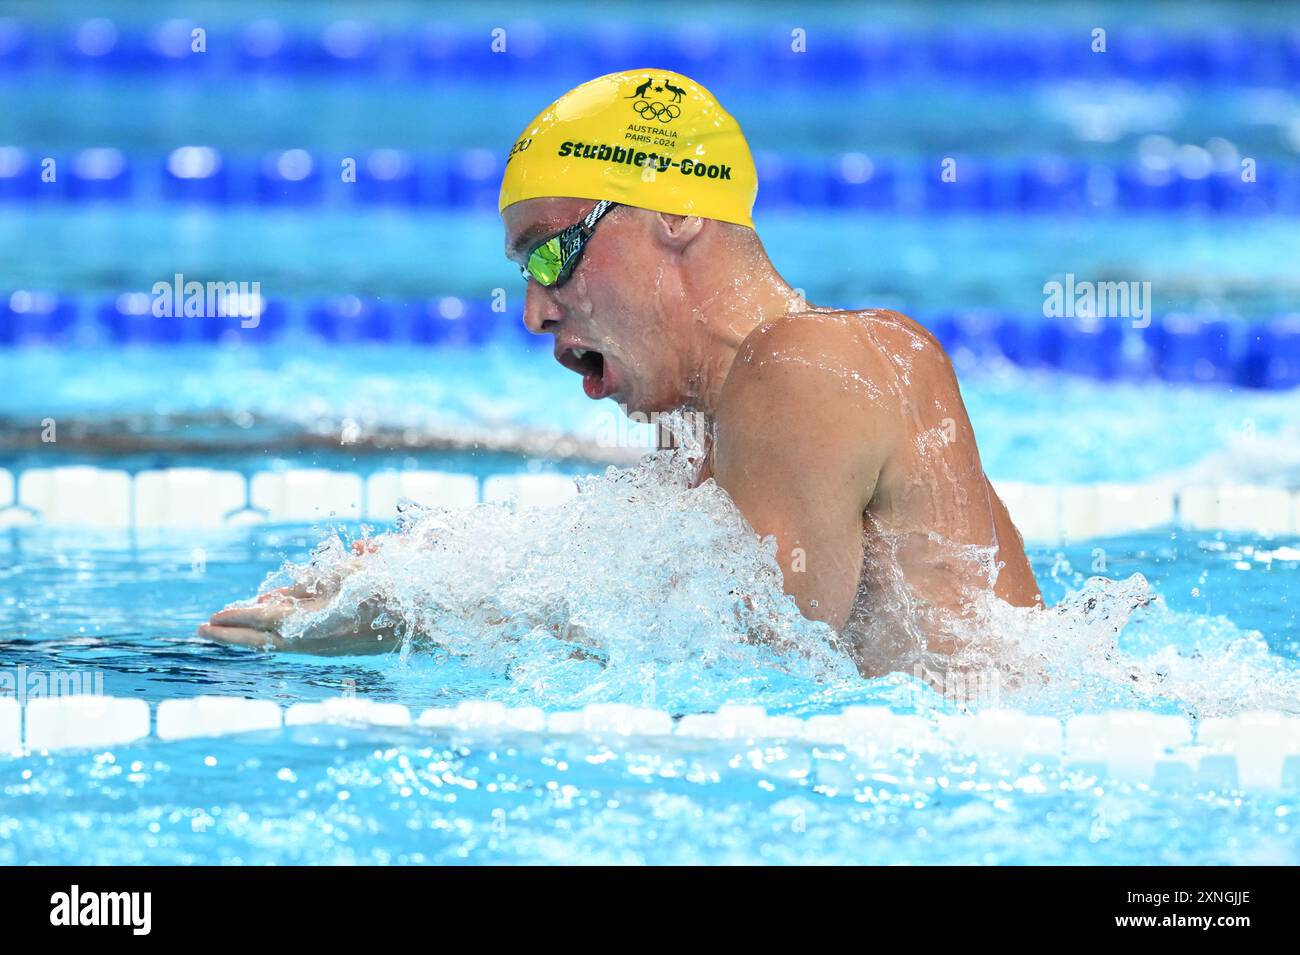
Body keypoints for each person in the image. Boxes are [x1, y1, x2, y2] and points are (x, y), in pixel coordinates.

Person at [201, 69, 1042, 676]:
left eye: (553, 250)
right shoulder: (714, 425)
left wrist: (416, 612)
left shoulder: (805, 364)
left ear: (676, 210)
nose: (534, 311)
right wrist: (419, 566)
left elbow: (752, 664)